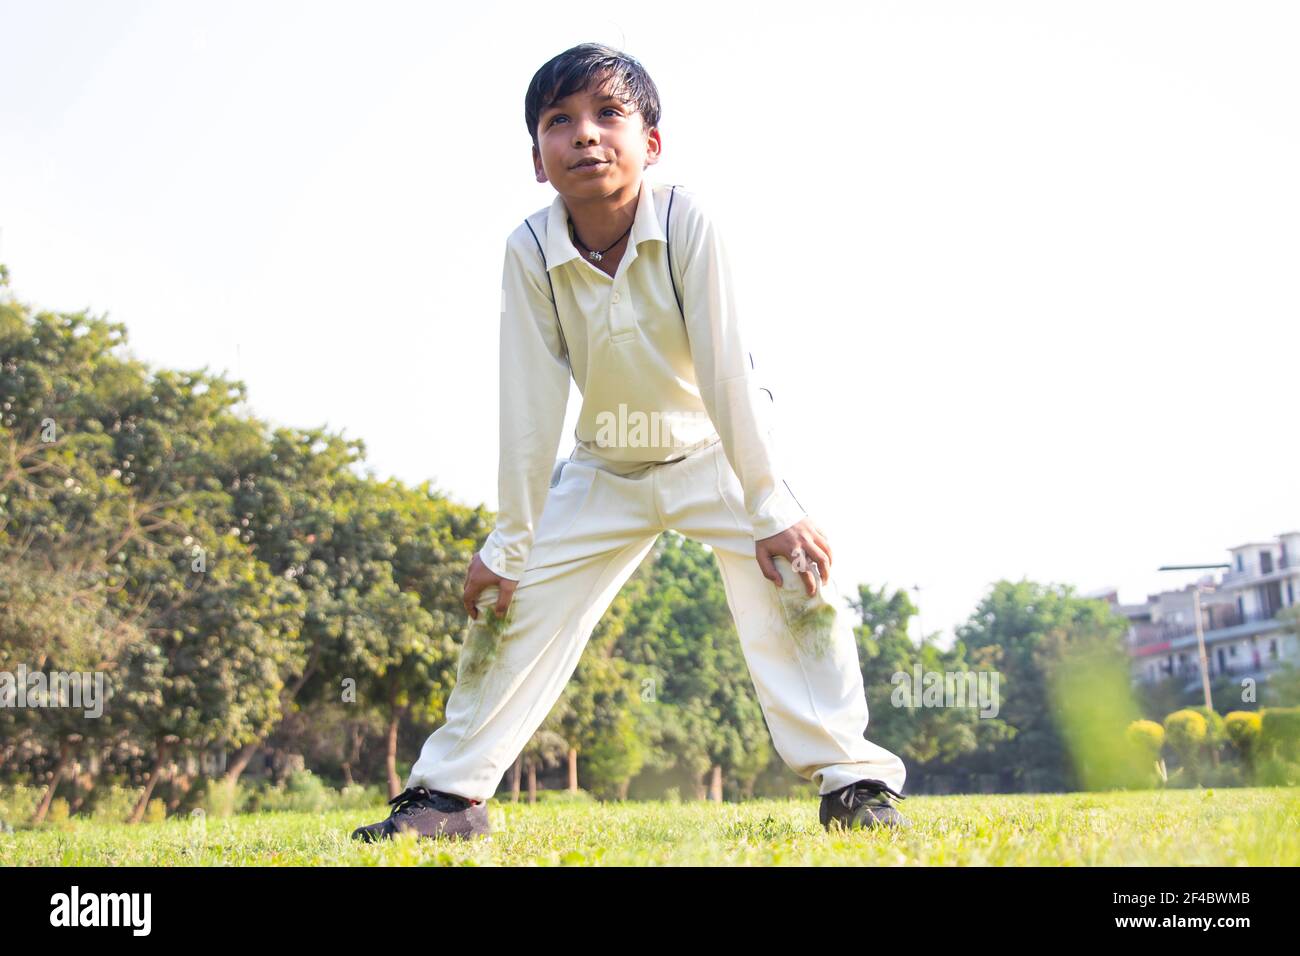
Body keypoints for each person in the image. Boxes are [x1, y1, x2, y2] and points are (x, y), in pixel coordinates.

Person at [351, 42, 907, 843]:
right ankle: (447, 799)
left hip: (716, 451)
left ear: (651, 142)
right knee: (508, 610)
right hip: (605, 468)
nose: (584, 135)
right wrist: (510, 541)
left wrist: (768, 502)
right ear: (538, 159)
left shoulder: (687, 220)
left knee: (797, 576)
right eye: (559, 121)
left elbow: (727, 370)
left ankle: (853, 785)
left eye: (608, 115)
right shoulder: (531, 249)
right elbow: (530, 400)